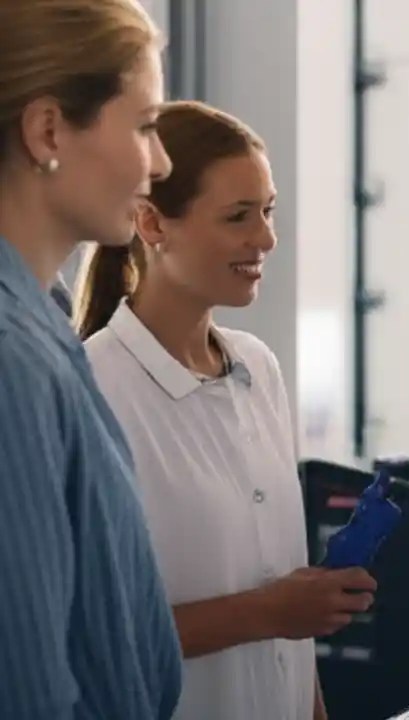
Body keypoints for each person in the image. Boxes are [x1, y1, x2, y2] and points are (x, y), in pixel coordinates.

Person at [74, 100, 377, 720]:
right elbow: (86, 636)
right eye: (238, 216)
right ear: (152, 223)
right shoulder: (93, 389)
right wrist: (267, 612)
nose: (265, 238)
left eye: (267, 211)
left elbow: (291, 627)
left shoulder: (257, 368)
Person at [0, 1, 183, 717]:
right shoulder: (13, 360)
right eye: (144, 126)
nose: (161, 161)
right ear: (49, 130)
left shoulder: (39, 317)